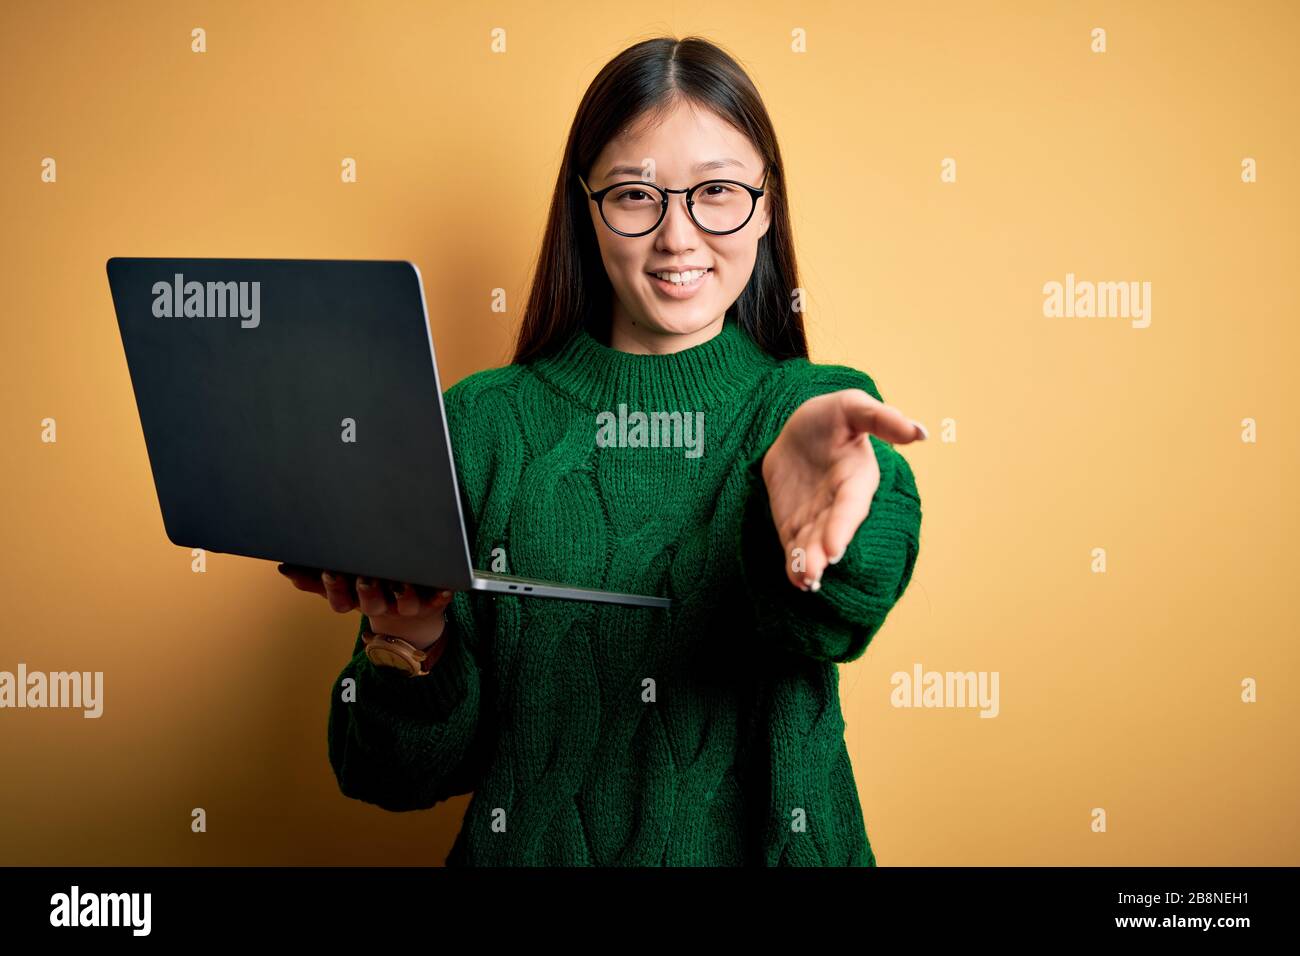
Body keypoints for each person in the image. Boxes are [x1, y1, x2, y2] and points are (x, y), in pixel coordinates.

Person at [280, 35, 925, 866]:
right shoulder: (478, 427)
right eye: (634, 196)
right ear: (586, 207)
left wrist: (807, 532)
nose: (678, 236)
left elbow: (854, 597)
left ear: (766, 206)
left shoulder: (808, 410)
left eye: (718, 191)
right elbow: (391, 776)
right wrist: (410, 636)